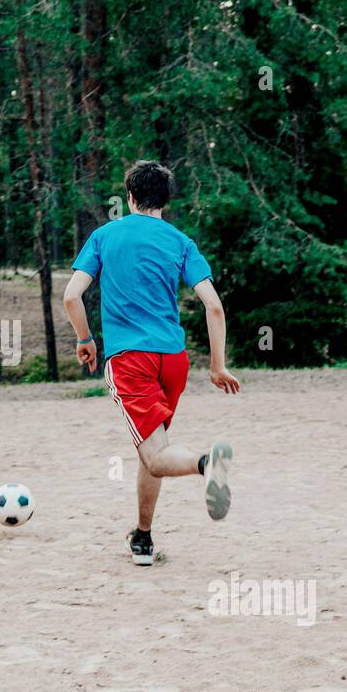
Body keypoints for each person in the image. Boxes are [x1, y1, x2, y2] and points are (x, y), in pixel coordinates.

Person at [63, 160, 240, 566]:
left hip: (130, 361)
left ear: (129, 197)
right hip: (173, 361)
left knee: (158, 454)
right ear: (165, 200)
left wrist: (85, 338)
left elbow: (72, 296)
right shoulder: (180, 242)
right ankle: (142, 538)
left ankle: (206, 464)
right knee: (153, 449)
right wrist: (217, 366)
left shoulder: (105, 236)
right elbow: (214, 306)